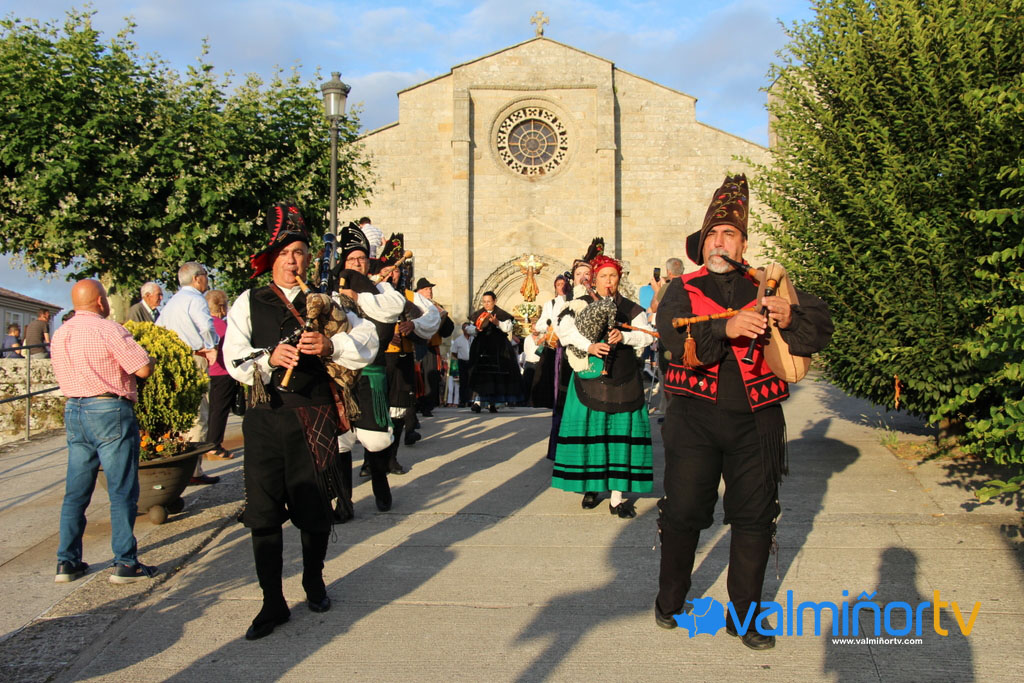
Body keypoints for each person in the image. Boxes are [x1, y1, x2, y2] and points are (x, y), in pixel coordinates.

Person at [654, 174, 833, 649]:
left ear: (744, 242)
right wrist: (727, 328)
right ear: (701, 243)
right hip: (693, 418)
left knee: (755, 516)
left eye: (728, 234)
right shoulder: (682, 288)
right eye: (712, 234)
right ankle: (670, 599)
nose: (719, 241)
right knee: (685, 512)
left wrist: (790, 315)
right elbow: (674, 339)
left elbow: (821, 325)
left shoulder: (768, 285)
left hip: (757, 419)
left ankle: (746, 618)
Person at [224, 203, 377, 640]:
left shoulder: (326, 303)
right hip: (265, 418)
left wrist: (329, 348)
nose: (294, 260)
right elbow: (232, 356)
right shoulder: (248, 300)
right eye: (286, 252)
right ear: (271, 258)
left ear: (310, 258)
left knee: (313, 510)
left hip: (312, 414)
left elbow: (365, 342)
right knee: (264, 513)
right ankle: (272, 601)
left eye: (301, 252)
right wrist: (268, 358)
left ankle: (314, 581)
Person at [50, 279, 158, 584]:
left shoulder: (61, 333)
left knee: (76, 491)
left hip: (75, 408)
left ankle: (67, 561)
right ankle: (125, 562)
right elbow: (142, 369)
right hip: (109, 408)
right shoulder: (108, 329)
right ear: (100, 301)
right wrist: (148, 356)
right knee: (122, 488)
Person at [551, 254, 656, 518]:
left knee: (620, 437)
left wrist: (626, 336)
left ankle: (617, 498)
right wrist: (589, 345)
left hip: (624, 378)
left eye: (613, 276)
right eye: (603, 276)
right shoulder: (578, 304)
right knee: (593, 435)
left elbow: (646, 338)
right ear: (594, 279)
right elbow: (564, 332)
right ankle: (592, 488)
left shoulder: (632, 309)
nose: (609, 281)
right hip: (589, 376)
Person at [332, 222, 407, 512]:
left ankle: (379, 481)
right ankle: (343, 500)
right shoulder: (330, 288)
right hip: (338, 374)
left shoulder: (381, 288)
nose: (357, 264)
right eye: (351, 260)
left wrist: (359, 295)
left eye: (362, 258)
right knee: (340, 439)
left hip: (372, 372)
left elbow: (393, 308)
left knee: (375, 438)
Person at [157, 262, 219, 485]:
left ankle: (182, 465)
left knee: (181, 415)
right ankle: (193, 471)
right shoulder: (195, 300)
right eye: (205, 275)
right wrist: (213, 345)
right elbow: (206, 327)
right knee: (198, 413)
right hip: (194, 356)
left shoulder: (172, 302)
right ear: (196, 279)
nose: (206, 279)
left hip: (175, 360)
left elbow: (159, 329)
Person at [466, 291, 521, 413]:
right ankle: (478, 401)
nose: (486, 304)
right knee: (480, 374)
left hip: (498, 349)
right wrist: (476, 328)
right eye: (484, 301)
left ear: (494, 301)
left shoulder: (501, 314)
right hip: (481, 348)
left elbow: (508, 327)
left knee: (496, 375)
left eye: (489, 301)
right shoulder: (478, 314)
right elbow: (469, 328)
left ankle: (494, 403)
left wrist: (497, 323)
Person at [203, 289, 238, 460]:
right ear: (222, 307)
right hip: (224, 372)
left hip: (211, 371)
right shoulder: (223, 326)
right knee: (220, 410)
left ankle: (212, 442)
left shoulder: (206, 323)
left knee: (214, 409)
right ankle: (214, 445)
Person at [413, 277, 454, 417]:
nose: (429, 291)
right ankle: (417, 402)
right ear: (419, 292)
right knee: (419, 374)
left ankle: (428, 404)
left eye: (430, 289)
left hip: (431, 345)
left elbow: (448, 328)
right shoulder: (414, 304)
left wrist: (443, 314)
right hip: (418, 343)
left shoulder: (436, 306)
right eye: (426, 289)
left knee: (431, 375)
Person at [449, 323, 474, 407]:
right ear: (463, 329)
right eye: (465, 328)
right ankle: (463, 400)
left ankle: (471, 400)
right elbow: (454, 352)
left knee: (471, 381)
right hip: (462, 362)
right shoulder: (458, 340)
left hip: (472, 362)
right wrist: (461, 357)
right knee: (463, 381)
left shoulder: (474, 339)